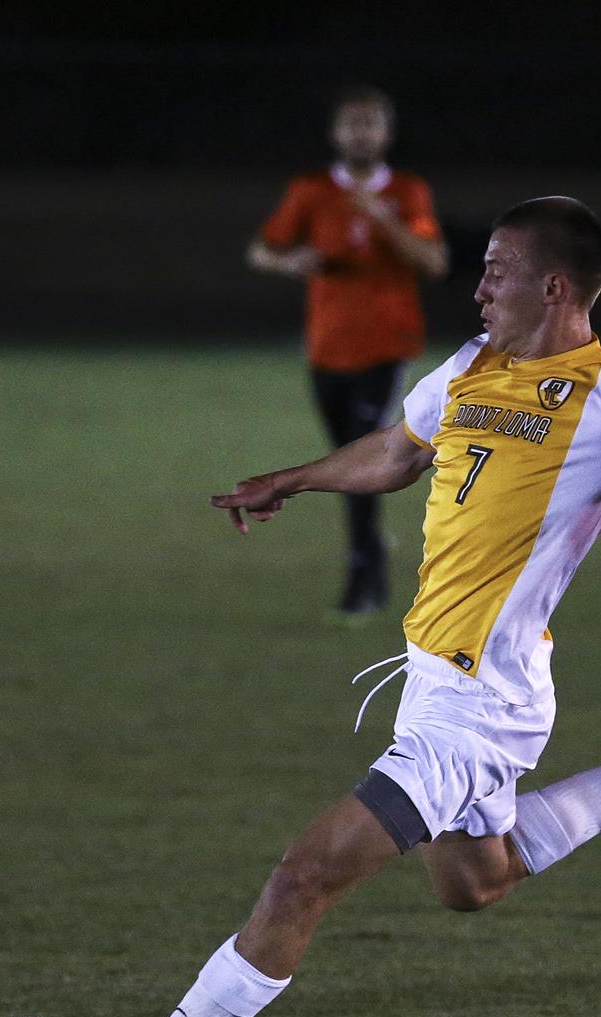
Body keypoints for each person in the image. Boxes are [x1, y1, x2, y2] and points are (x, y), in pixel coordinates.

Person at [59, 197, 601, 1017]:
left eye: (496, 268)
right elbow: (396, 452)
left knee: (304, 876)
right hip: (436, 681)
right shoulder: (469, 368)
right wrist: (289, 478)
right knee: (475, 880)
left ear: (555, 287)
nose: (478, 282)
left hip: (478, 705)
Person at [248, 85, 449, 619]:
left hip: (386, 345)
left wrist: (384, 220)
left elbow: (433, 261)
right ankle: (371, 553)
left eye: (371, 124)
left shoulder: (407, 192)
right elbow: (263, 249)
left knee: (365, 457)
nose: (361, 134)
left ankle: (363, 574)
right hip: (326, 347)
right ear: (336, 134)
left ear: (386, 133)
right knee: (343, 457)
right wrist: (289, 263)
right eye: (352, 124)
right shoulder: (311, 190)